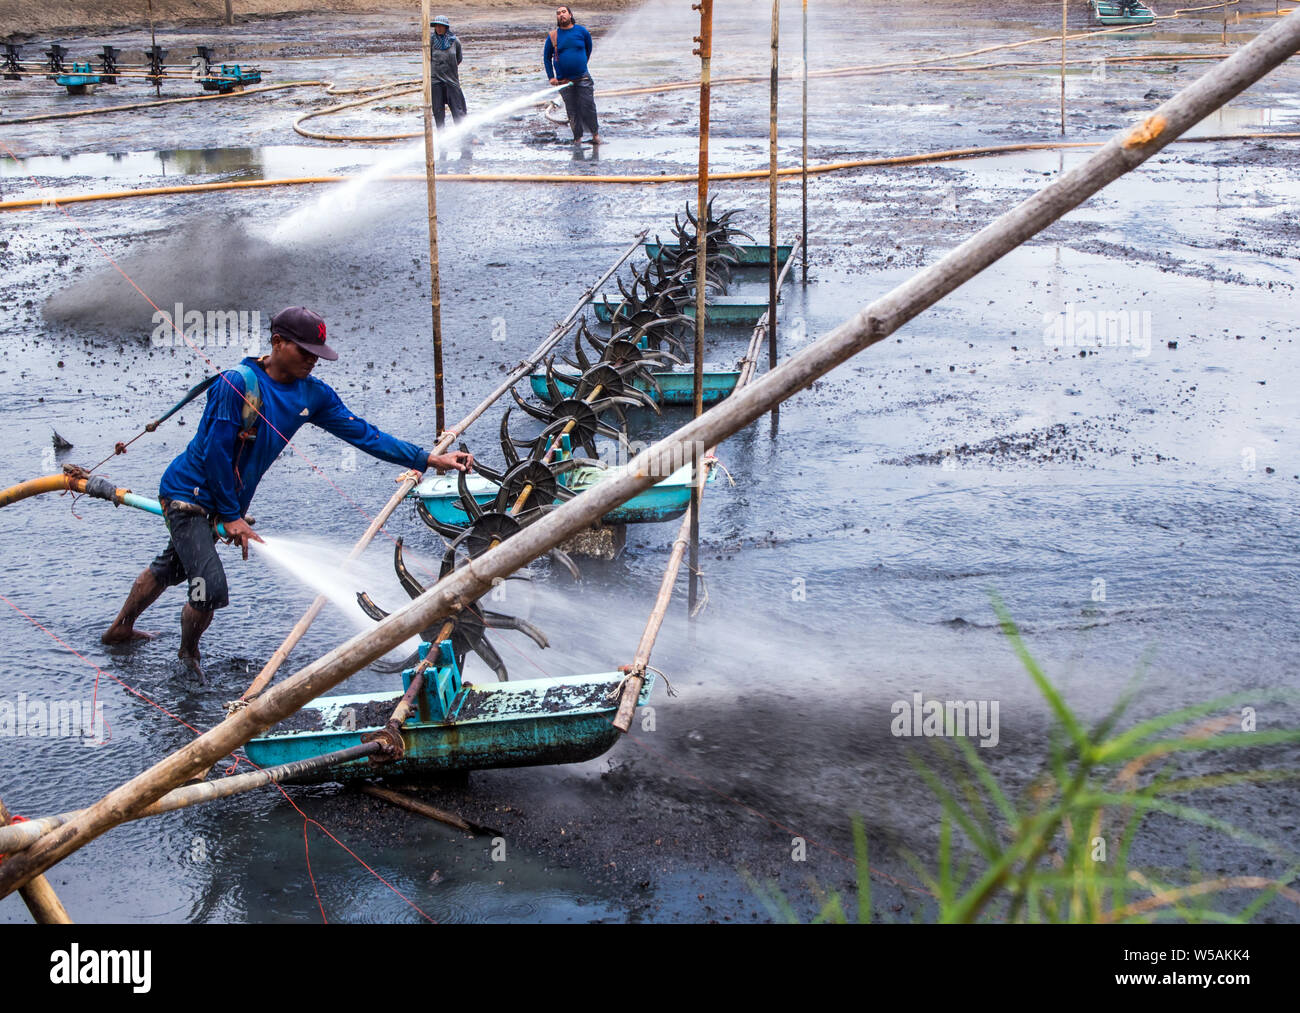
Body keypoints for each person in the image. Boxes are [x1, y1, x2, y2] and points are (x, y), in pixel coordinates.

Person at [101, 306, 474, 678]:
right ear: (277, 343)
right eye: (305, 352)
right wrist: (230, 516)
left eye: (317, 354)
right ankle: (188, 657)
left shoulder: (313, 395)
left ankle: (120, 629)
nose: (313, 361)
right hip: (188, 495)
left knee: (173, 566)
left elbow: (365, 434)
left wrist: (428, 460)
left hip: (224, 500)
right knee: (209, 587)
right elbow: (215, 453)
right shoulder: (235, 385)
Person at [543, 5, 600, 145]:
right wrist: (551, 77)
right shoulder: (553, 36)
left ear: (570, 15)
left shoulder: (582, 31)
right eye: (558, 13)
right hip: (563, 81)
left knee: (588, 107)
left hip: (583, 77)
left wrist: (580, 64)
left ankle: (595, 136)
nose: (561, 15)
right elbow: (546, 58)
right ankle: (577, 138)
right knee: (572, 110)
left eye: (564, 12)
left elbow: (588, 49)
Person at [428, 15, 467, 132]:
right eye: (437, 26)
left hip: (451, 81)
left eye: (441, 26)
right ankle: (441, 136)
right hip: (436, 81)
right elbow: (427, 58)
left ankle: (463, 134)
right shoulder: (430, 41)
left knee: (458, 110)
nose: (439, 28)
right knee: (438, 112)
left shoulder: (455, 42)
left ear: (446, 27)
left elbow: (458, 59)